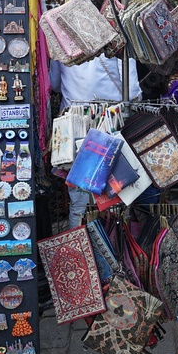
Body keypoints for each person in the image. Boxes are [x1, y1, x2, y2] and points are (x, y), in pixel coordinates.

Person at [48, 55, 142, 228]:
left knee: (78, 196)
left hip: (73, 122)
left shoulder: (61, 39)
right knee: (113, 189)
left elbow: (54, 84)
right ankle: (112, 238)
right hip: (109, 120)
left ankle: (80, 242)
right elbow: (134, 91)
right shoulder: (115, 36)